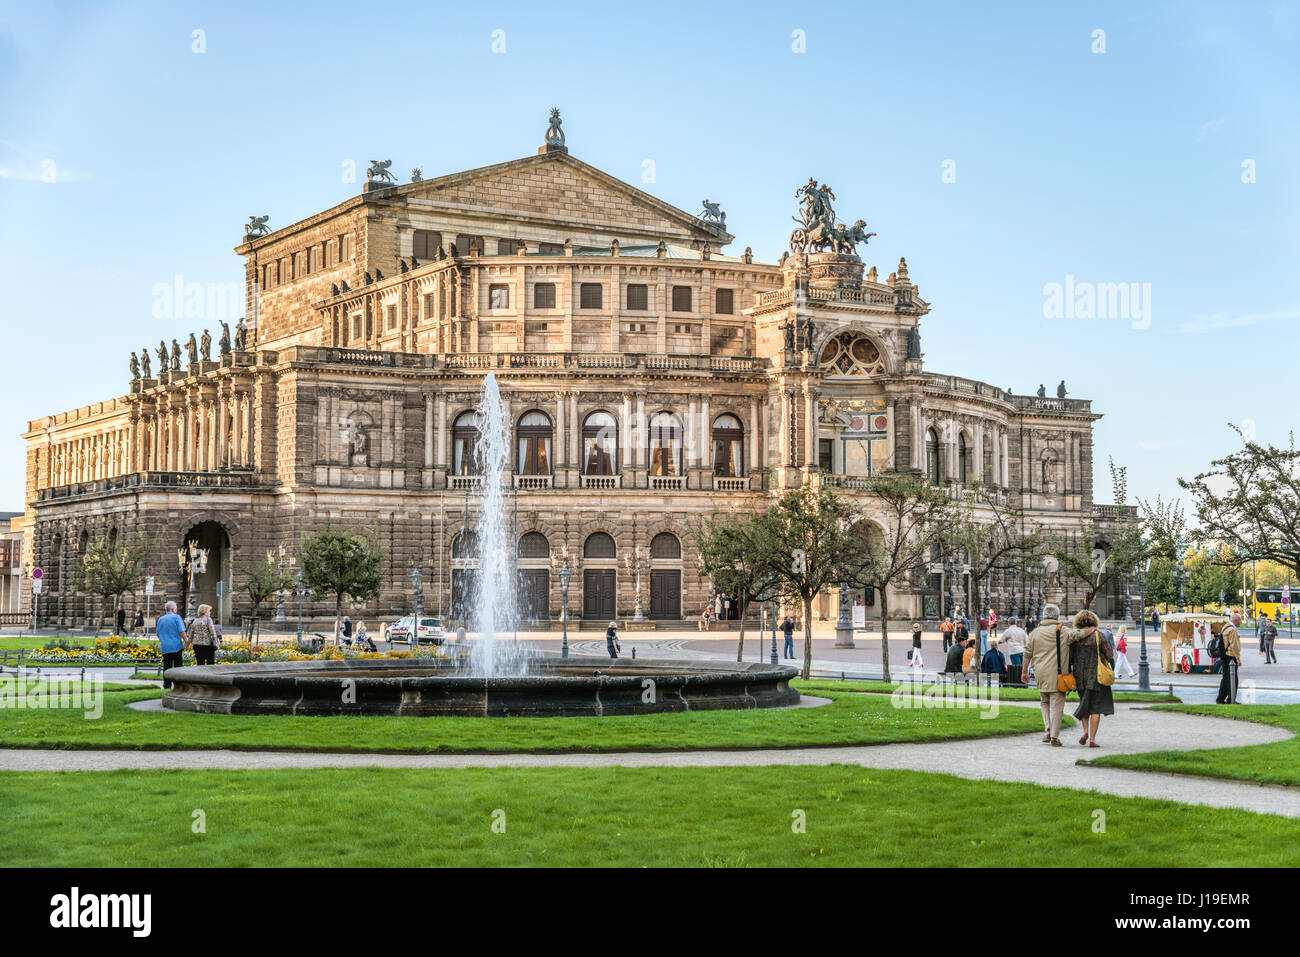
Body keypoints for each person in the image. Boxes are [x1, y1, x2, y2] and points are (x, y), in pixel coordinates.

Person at [1022, 603, 1084, 746]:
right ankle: (1054, 737)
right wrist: (1091, 628)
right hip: (1057, 675)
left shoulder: (1034, 633)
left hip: (1040, 674)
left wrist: (1024, 672)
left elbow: (1026, 654)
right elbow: (1079, 634)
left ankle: (1047, 731)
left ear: (1044, 616)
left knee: (1044, 702)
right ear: (1057, 616)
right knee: (1057, 706)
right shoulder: (1062, 630)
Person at [1070, 612, 1115, 747]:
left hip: (1079, 675)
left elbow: (1070, 657)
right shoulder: (1098, 635)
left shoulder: (1075, 637)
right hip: (1096, 675)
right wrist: (1112, 667)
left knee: (1084, 703)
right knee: (1095, 708)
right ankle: (1092, 740)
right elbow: (1109, 654)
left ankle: (1085, 732)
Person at [156, 600, 187, 689]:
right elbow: (181, 631)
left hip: (165, 647)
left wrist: (164, 640)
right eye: (176, 609)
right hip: (176, 646)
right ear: (173, 609)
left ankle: (166, 685)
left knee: (167, 667)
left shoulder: (161, 619)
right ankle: (178, 686)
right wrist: (186, 641)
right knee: (178, 667)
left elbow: (158, 633)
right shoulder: (176, 617)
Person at [1215, 612, 1243, 704]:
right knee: (1233, 678)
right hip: (1231, 656)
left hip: (1224, 655)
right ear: (1236, 620)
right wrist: (1238, 658)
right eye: (1240, 620)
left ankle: (1220, 699)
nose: (1241, 622)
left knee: (1225, 678)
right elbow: (1234, 645)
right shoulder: (1232, 630)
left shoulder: (1225, 627)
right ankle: (1231, 699)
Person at [999, 617, 1028, 684]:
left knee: (1017, 668)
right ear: (1016, 623)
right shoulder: (1021, 630)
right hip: (1022, 650)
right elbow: (1027, 640)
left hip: (1014, 651)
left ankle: (1018, 682)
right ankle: (1023, 682)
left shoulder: (1008, 631)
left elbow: (1001, 641)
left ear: (1008, 623)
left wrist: (1006, 640)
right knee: (1022, 667)